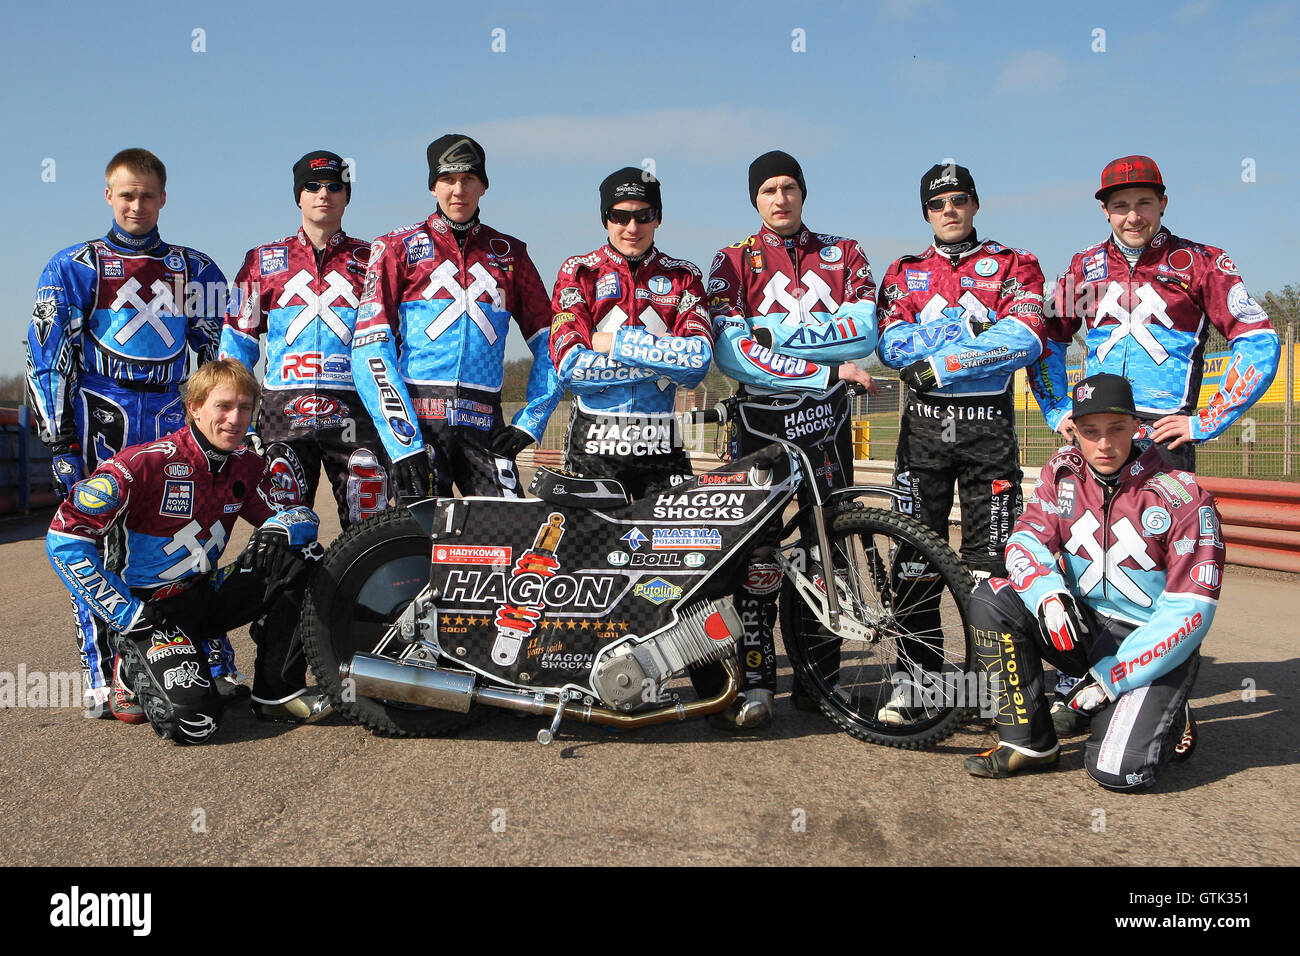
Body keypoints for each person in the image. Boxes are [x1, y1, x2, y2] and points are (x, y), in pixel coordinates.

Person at [25, 147, 235, 714]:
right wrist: (58, 438)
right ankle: (101, 673)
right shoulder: (73, 266)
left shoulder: (197, 268)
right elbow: (48, 355)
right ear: (108, 195)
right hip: (101, 422)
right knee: (94, 545)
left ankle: (208, 660)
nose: (136, 204)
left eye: (147, 194)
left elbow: (227, 353)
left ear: (164, 197)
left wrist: (233, 423)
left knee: (189, 539)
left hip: (174, 419)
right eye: (126, 194)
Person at [46, 359, 332, 742]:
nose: (235, 418)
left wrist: (281, 527)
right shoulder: (141, 464)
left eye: (245, 408)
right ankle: (128, 672)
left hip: (204, 595)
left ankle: (275, 694)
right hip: (151, 613)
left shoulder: (248, 465)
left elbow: (300, 517)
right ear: (194, 408)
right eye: (223, 406)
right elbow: (64, 539)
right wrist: (125, 615)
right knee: (197, 723)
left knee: (304, 556)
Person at [963, 373, 1218, 790]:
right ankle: (1030, 744)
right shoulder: (1061, 473)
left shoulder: (1184, 495)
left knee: (1117, 773)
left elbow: (1192, 612)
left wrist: (1113, 679)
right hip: (1086, 626)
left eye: (1116, 429)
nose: (1103, 444)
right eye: (1090, 431)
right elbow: (1026, 539)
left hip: (1152, 640)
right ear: (1074, 432)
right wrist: (1048, 595)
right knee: (992, 597)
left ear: (1138, 427)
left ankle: (1163, 704)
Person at [705, 150, 879, 729]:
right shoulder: (730, 261)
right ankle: (755, 682)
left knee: (828, 552)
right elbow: (732, 355)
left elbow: (864, 333)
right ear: (755, 200)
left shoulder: (846, 253)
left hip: (827, 425)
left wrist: (770, 338)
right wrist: (822, 361)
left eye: (788, 187)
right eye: (768, 191)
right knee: (755, 558)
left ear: (803, 192)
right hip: (758, 427)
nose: (780, 199)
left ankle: (819, 681)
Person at [874, 162, 1048, 722]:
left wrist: (943, 361)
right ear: (926, 212)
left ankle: (990, 684)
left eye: (958, 200)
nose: (949, 210)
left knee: (992, 566)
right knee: (914, 561)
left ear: (975, 205)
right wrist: (974, 330)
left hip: (988, 432)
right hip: (922, 436)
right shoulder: (903, 271)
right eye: (937, 202)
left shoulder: (1017, 264)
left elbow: (1024, 337)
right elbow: (892, 346)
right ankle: (915, 679)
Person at [1031, 155, 1279, 471]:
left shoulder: (1203, 262)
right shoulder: (1084, 265)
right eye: (1121, 205)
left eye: (1144, 203)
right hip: (1095, 425)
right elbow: (1047, 336)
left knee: (1162, 521)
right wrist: (1058, 408)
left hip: (1164, 434)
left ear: (1162, 203)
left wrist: (1208, 419)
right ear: (1105, 211)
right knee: (1091, 521)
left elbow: (1259, 341)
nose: (1133, 217)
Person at [352, 133, 562, 500]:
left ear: (483, 186)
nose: (458, 190)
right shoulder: (395, 247)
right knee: (416, 540)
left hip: (486, 425)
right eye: (448, 179)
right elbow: (369, 346)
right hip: (419, 423)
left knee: (512, 536)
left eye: (469, 179)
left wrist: (531, 421)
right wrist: (402, 440)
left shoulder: (512, 254)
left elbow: (553, 342)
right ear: (433, 186)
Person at [219, 150, 391, 527]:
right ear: (298, 195)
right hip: (283, 411)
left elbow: (393, 340)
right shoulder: (260, 260)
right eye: (312, 186)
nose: (323, 193)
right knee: (284, 528)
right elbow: (237, 342)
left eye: (334, 186)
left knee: (370, 525)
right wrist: (242, 419)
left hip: (356, 408)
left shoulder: (376, 258)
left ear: (346, 196)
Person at [549, 167, 713, 497]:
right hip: (594, 443)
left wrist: (612, 343)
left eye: (643, 215)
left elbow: (697, 364)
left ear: (658, 218)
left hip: (663, 442)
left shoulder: (684, 276)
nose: (632, 227)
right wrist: (664, 360)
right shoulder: (579, 272)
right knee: (589, 548)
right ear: (606, 219)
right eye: (620, 216)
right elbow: (571, 370)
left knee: (677, 549)